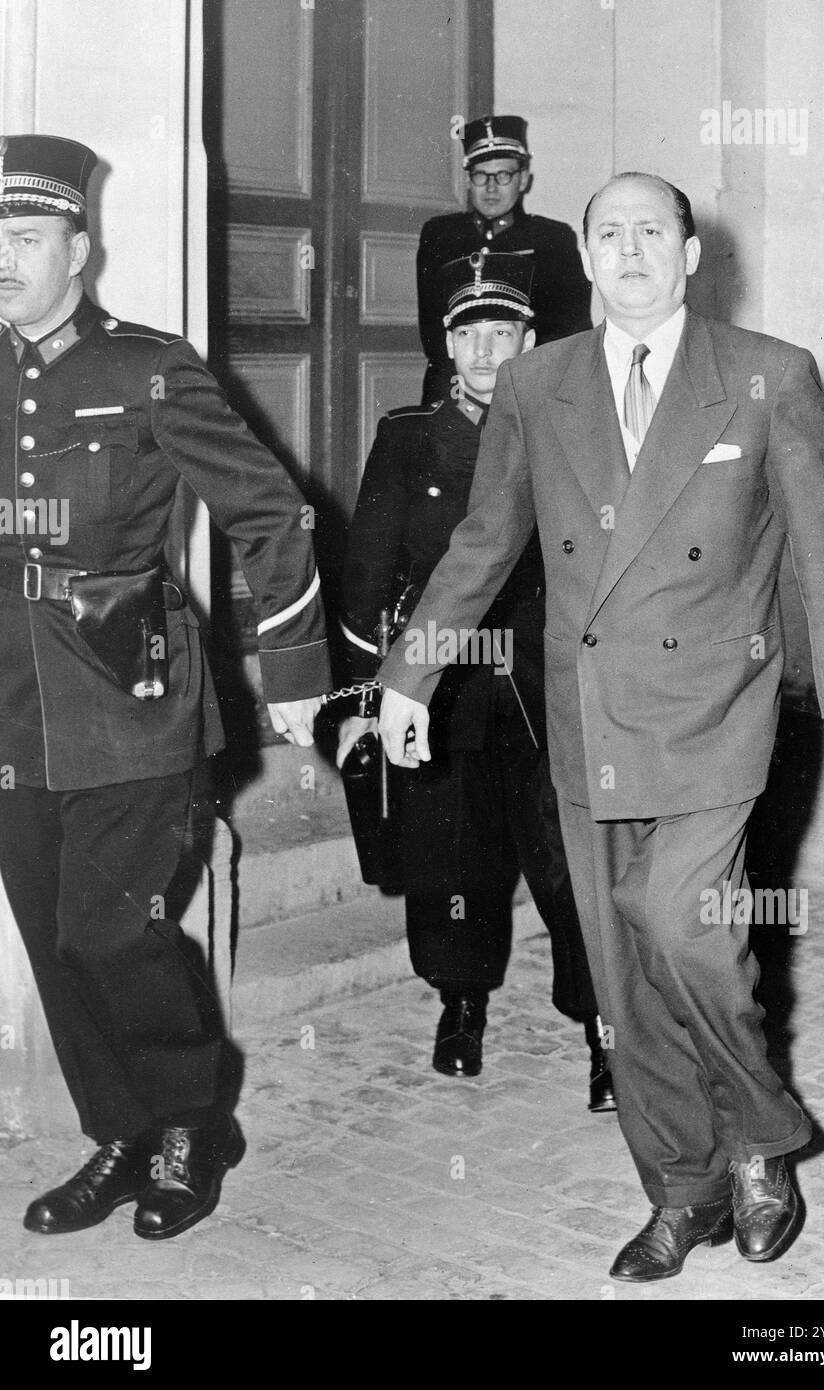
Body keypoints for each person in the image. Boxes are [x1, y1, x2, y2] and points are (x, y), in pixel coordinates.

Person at [378, 172, 824, 1283]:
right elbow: (485, 539)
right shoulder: (534, 381)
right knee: (622, 977)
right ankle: (683, 1185)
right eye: (607, 235)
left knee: (681, 921)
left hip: (713, 710)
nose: (627, 251)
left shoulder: (764, 375)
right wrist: (410, 675)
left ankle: (761, 1137)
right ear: (587, 261)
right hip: (586, 713)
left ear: (690, 254)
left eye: (649, 232)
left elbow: (819, 547)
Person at [0, 135, 329, 1241]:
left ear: (79, 250)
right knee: (51, 935)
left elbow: (269, 512)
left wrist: (292, 673)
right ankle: (121, 1133)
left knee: (112, 930)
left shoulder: (148, 366)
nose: (4, 257)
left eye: (28, 236)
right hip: (10, 705)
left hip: (131, 693)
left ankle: (192, 1120)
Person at [336, 251, 614, 1109]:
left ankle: (603, 1029)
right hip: (441, 686)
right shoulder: (408, 438)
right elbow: (365, 576)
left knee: (572, 860)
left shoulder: (574, 431)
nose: (488, 352)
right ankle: (460, 1005)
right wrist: (364, 696)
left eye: (505, 333)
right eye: (470, 335)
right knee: (450, 853)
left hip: (550, 682)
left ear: (531, 340)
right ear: (447, 346)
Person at [416, 115, 592, 403]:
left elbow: (570, 330)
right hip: (454, 385)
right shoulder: (439, 235)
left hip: (530, 385)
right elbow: (433, 330)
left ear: (523, 179)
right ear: (467, 180)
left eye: (503, 175)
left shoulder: (553, 238)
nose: (491, 187)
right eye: (481, 176)